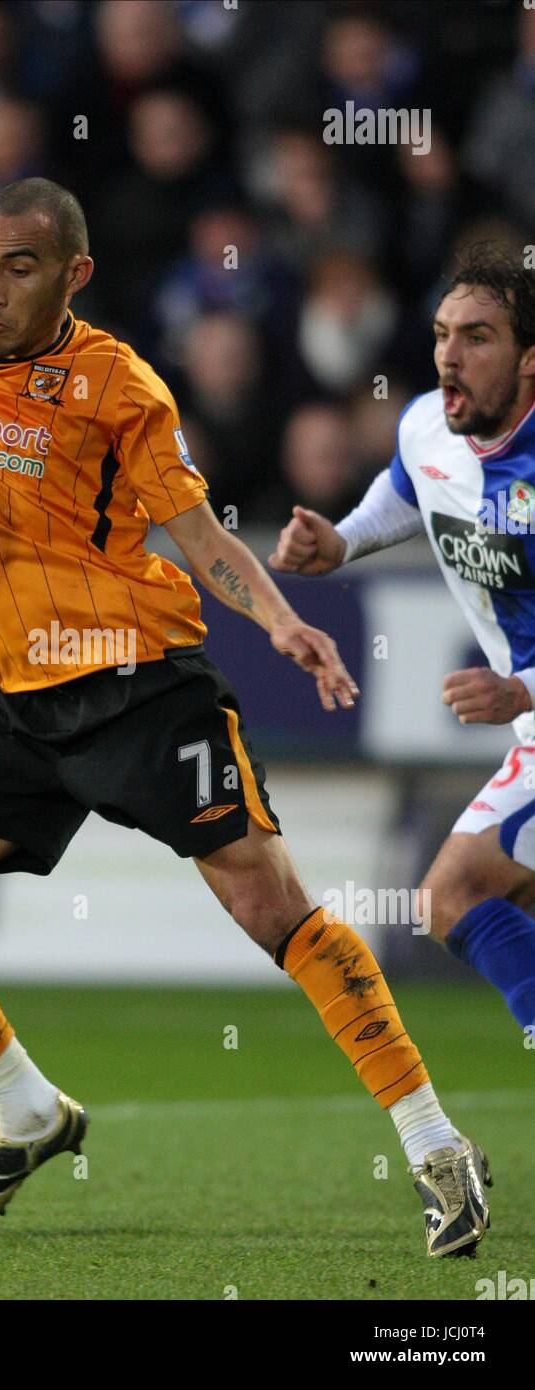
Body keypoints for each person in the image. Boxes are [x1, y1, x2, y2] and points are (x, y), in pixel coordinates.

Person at [0, 178, 489, 1257]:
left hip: (137, 679)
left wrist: (279, 620)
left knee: (271, 908)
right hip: (9, 698)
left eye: (20, 266)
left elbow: (198, 535)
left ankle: (432, 1142)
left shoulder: (117, 384)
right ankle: (27, 1109)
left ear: (73, 274)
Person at [270, 242, 535, 1048]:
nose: (449, 355)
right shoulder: (425, 423)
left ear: (529, 360)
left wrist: (524, 691)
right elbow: (404, 489)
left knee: (452, 891)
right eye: (440, 333)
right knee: (479, 899)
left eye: (478, 337)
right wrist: (340, 545)